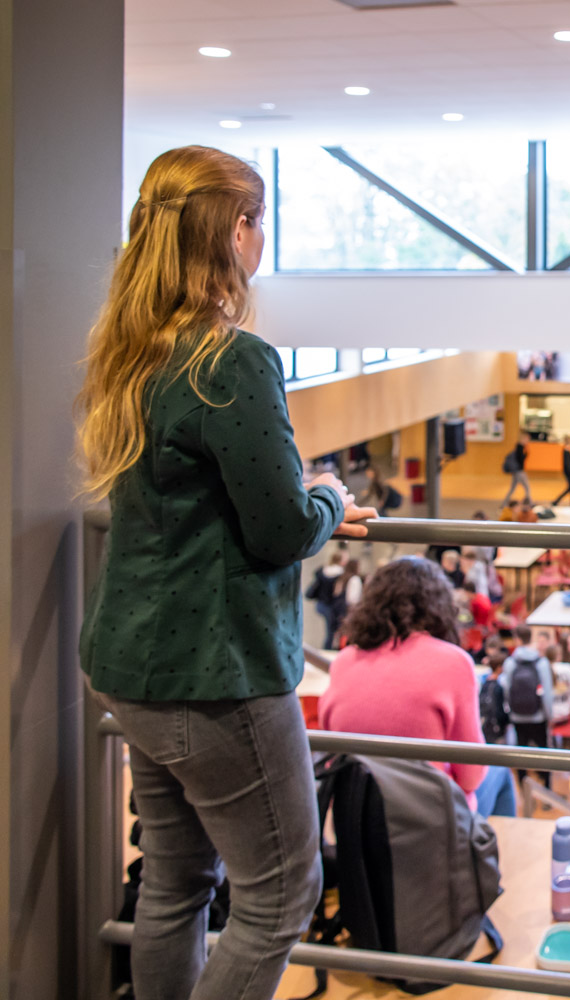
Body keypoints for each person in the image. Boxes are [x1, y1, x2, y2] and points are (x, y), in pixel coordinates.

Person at [77, 145, 377, 1000]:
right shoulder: (229, 360)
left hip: (131, 665)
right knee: (281, 893)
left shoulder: (129, 352)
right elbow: (281, 527)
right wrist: (326, 498)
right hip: (216, 675)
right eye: (259, 223)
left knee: (175, 881)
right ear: (236, 232)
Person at [319, 558, 488, 807]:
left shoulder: (343, 661)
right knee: (499, 777)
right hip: (429, 820)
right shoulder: (454, 663)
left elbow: (331, 746)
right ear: (439, 605)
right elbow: (471, 776)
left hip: (356, 821)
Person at [501, 625, 553, 787]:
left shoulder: (510, 663)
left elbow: (507, 690)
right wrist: (549, 716)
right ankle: (546, 787)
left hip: (517, 715)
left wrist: (510, 711)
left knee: (521, 752)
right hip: (538, 716)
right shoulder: (541, 662)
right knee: (543, 753)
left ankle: (523, 786)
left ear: (517, 639)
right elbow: (547, 693)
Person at [307, 549, 351, 649]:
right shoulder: (341, 574)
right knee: (332, 630)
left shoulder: (322, 570)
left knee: (329, 630)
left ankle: (327, 648)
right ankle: (327, 649)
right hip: (332, 606)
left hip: (321, 604)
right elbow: (337, 592)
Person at [547, 642, 570, 732]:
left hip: (549, 716)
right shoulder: (568, 668)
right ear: (559, 655)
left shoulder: (543, 668)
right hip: (568, 713)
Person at [501, 431, 531, 505]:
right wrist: (526, 454)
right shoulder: (520, 447)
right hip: (519, 471)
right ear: (523, 439)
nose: (528, 441)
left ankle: (504, 504)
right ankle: (530, 503)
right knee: (527, 487)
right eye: (527, 439)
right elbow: (520, 460)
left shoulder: (519, 447)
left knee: (512, 489)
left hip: (517, 471)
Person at [555, 438, 570, 505]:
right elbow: (568, 465)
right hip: (569, 473)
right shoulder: (566, 451)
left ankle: (557, 501)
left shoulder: (566, 451)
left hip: (568, 473)